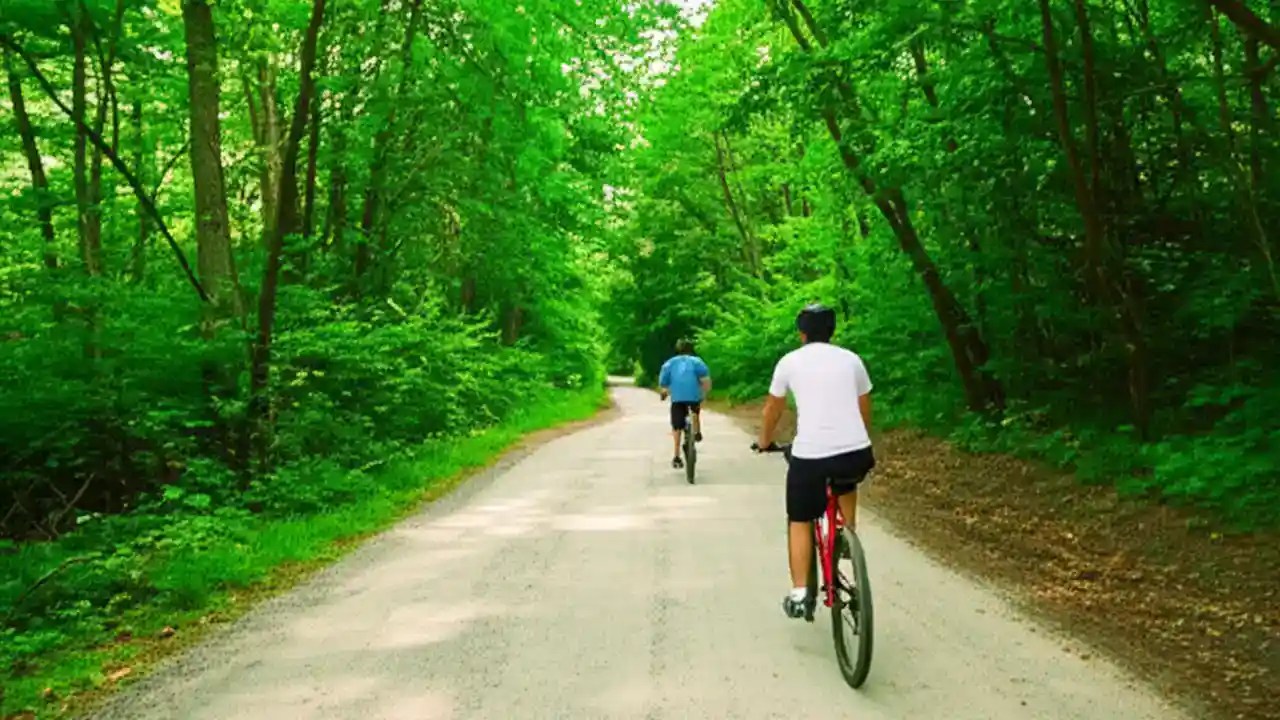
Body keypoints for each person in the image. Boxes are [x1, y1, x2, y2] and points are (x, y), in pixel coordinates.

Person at [755, 304, 875, 619]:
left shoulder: (790, 362)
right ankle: (847, 536)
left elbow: (772, 410)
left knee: (800, 518)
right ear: (832, 331)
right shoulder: (852, 360)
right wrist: (857, 438)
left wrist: (764, 442)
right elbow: (864, 407)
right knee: (846, 479)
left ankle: (799, 593)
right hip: (856, 450)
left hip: (811, 456)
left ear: (802, 333)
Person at [658, 339, 711, 469]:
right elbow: (706, 381)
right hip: (693, 397)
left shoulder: (669, 364)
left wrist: (664, 394)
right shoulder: (697, 362)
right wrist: (704, 394)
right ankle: (697, 431)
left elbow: (663, 386)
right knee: (695, 409)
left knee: (677, 426)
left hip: (677, 399)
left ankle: (676, 456)